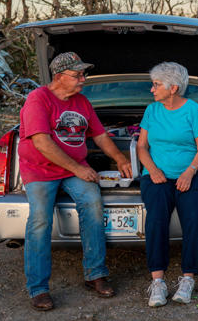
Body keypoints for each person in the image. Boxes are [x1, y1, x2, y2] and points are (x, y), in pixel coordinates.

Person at [18, 52, 133, 311]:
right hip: (41, 170)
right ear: (59, 77)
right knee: (40, 220)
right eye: (77, 75)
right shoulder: (38, 99)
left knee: (92, 203)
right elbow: (41, 143)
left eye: (84, 74)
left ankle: (95, 274)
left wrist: (120, 158)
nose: (83, 79)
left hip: (73, 169)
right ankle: (38, 288)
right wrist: (78, 169)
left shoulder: (81, 101)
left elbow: (100, 135)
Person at [136, 62, 198, 307]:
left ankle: (188, 278)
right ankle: (158, 282)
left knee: (192, 218)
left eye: (156, 84)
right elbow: (141, 147)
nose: (152, 89)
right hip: (157, 175)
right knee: (156, 218)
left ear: (173, 88)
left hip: (192, 173)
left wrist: (189, 173)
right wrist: (154, 170)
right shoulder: (152, 110)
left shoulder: (193, 110)